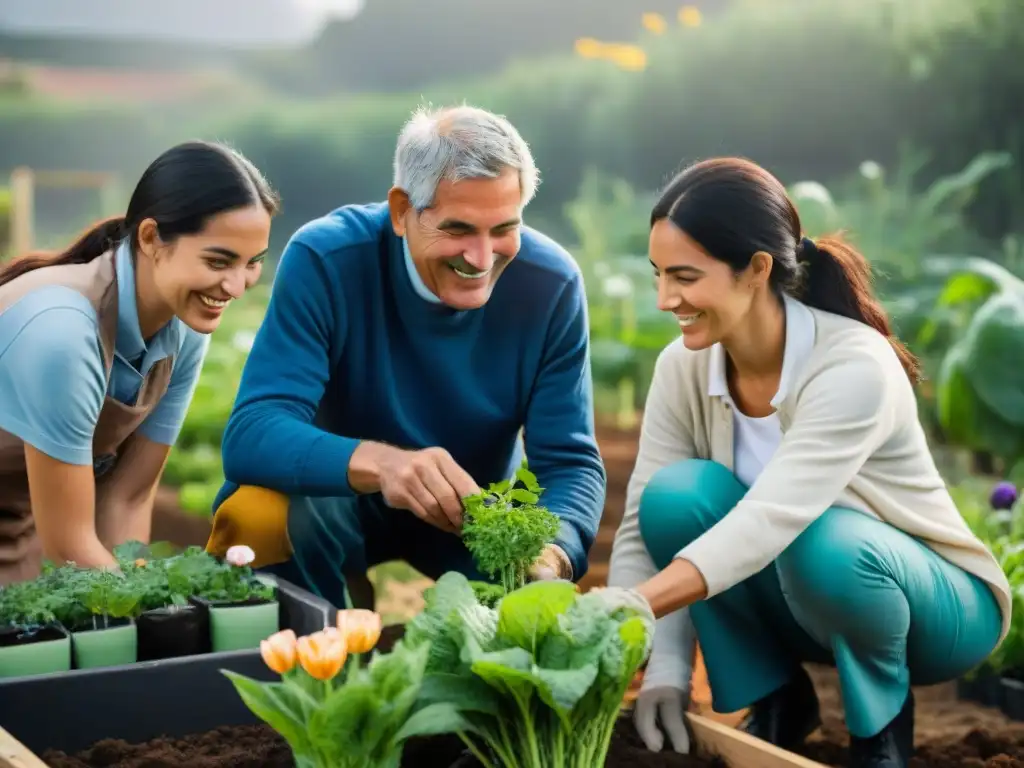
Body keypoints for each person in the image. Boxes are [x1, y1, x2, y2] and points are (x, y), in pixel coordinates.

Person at [607, 157, 1010, 768]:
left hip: (939, 611)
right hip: (806, 597)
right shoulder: (682, 367)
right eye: (659, 275)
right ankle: (776, 698)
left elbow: (772, 517)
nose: (666, 299)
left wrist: (637, 603)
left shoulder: (852, 365)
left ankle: (880, 737)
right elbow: (641, 523)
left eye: (685, 277)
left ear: (757, 270)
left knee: (827, 540)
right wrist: (663, 670)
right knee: (675, 496)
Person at [205, 104, 606, 609]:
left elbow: (569, 461)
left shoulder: (551, 284)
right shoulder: (327, 259)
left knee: (519, 617)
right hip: (335, 499)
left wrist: (552, 554)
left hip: (471, 514)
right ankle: (318, 659)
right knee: (258, 516)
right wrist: (385, 465)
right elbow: (254, 432)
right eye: (458, 229)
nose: (482, 259)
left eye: (503, 227)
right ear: (401, 211)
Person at [0, 140, 278, 584]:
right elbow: (70, 545)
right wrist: (148, 607)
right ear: (151, 238)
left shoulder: (183, 328)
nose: (236, 285)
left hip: (23, 527)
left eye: (253, 263)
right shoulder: (64, 331)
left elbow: (127, 497)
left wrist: (138, 594)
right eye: (218, 260)